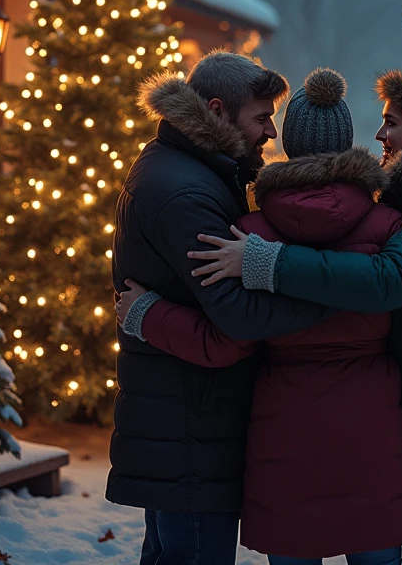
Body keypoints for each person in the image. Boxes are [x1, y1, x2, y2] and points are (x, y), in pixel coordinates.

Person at [117, 69, 402, 564]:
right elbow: (397, 288)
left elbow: (233, 337)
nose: (381, 135)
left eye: (391, 122)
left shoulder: (248, 232)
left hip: (283, 427)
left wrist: (148, 315)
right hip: (377, 424)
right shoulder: (389, 222)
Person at [107, 52, 339, 565]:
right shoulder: (188, 191)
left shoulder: (187, 168)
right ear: (216, 111)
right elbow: (236, 314)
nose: (271, 132)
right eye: (260, 118)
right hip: (192, 419)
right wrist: (339, 301)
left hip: (184, 415)